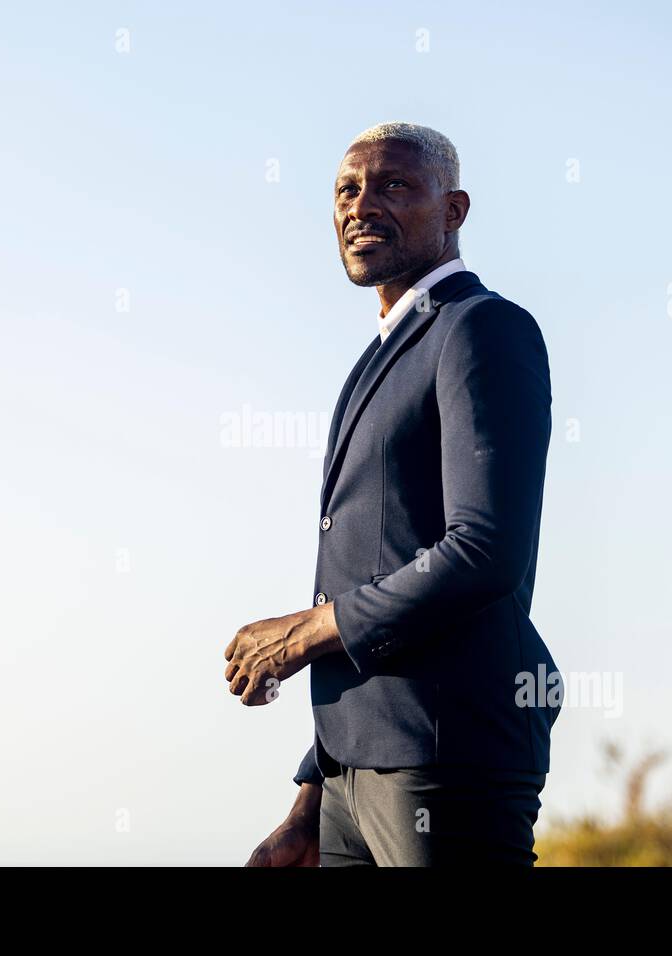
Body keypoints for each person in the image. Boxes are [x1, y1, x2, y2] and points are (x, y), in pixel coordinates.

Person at [224, 122, 562, 866]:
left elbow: (483, 551)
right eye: (347, 189)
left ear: (455, 211)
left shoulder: (482, 329)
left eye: (395, 186)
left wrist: (306, 633)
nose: (362, 205)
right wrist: (313, 799)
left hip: (445, 761)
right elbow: (370, 565)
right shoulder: (378, 357)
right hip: (350, 779)